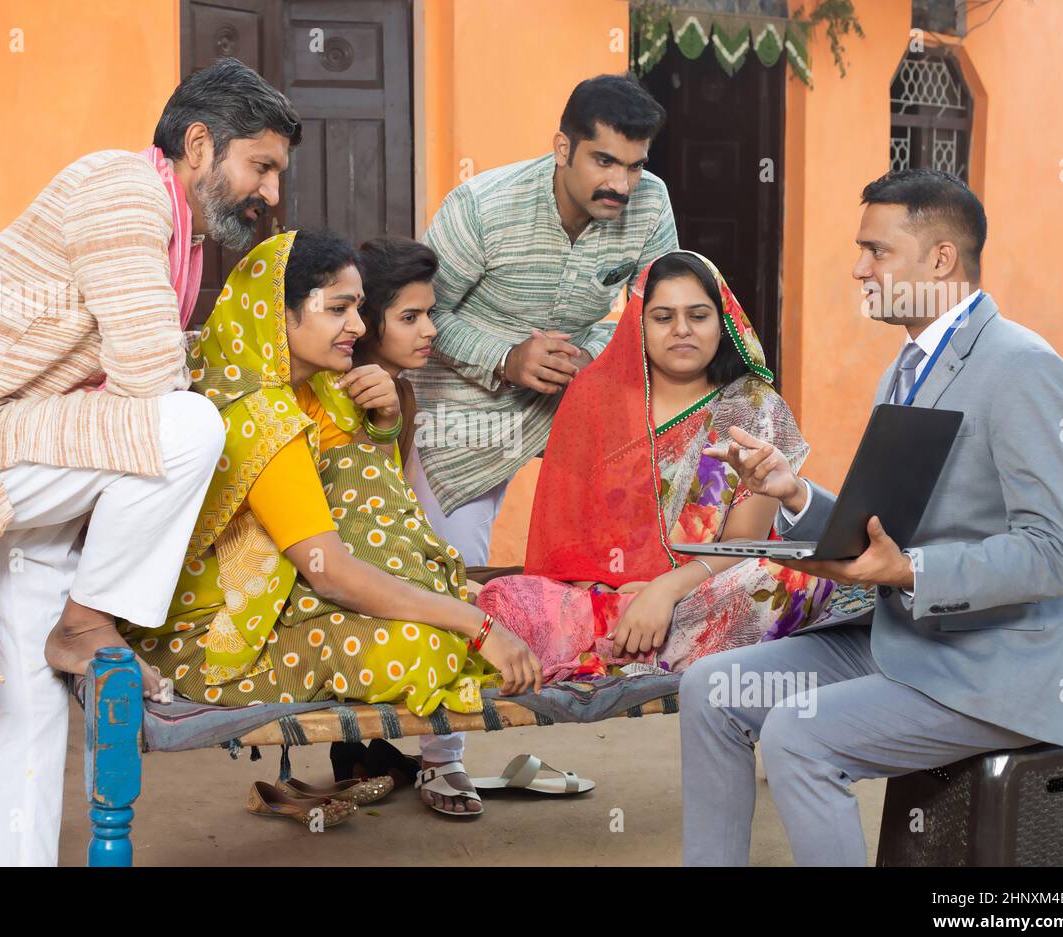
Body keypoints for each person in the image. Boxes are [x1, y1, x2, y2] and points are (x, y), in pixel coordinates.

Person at [0, 58, 297, 866]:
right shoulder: (123, 192)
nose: (269, 192)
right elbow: (147, 377)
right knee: (190, 428)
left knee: (28, 708)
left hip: (42, 444)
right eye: (260, 166)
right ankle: (88, 619)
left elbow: (140, 367)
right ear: (199, 145)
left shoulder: (178, 233)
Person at [678, 168, 1063, 866]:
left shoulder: (1024, 369)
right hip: (902, 639)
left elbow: (1058, 552)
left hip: (988, 666)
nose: (858, 268)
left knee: (798, 734)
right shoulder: (905, 367)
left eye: (876, 250)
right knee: (710, 689)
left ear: (939, 259)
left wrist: (912, 569)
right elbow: (878, 527)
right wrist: (793, 494)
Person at [123, 229, 542, 817]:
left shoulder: (320, 389)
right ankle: (432, 739)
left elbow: (376, 503)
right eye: (338, 309)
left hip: (292, 589)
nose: (359, 326)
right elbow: (333, 572)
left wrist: (388, 422)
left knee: (458, 630)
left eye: (357, 307)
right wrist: (477, 624)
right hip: (221, 632)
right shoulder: (263, 412)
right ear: (281, 314)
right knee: (434, 652)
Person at [405, 71, 678, 788]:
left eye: (635, 163)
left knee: (644, 528)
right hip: (462, 412)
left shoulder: (649, 205)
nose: (622, 183)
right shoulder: (482, 206)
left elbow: (660, 303)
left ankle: (647, 680)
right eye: (604, 161)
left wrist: (606, 359)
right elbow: (418, 317)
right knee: (452, 572)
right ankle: (442, 760)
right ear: (563, 147)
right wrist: (507, 356)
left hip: (577, 403)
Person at [477, 252, 833, 681]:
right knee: (504, 599)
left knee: (789, 577)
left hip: (707, 586)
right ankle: (643, 641)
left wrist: (664, 590)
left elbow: (745, 543)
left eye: (698, 316)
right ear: (637, 326)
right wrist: (620, 588)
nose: (681, 330)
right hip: (607, 593)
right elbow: (569, 539)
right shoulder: (598, 402)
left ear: (721, 324)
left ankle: (621, 643)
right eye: (663, 317)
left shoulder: (751, 406)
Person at [353, 236, 441, 466]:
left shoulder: (403, 395)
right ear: (366, 321)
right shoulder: (331, 390)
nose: (431, 330)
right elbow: (361, 488)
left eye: (429, 314)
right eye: (410, 318)